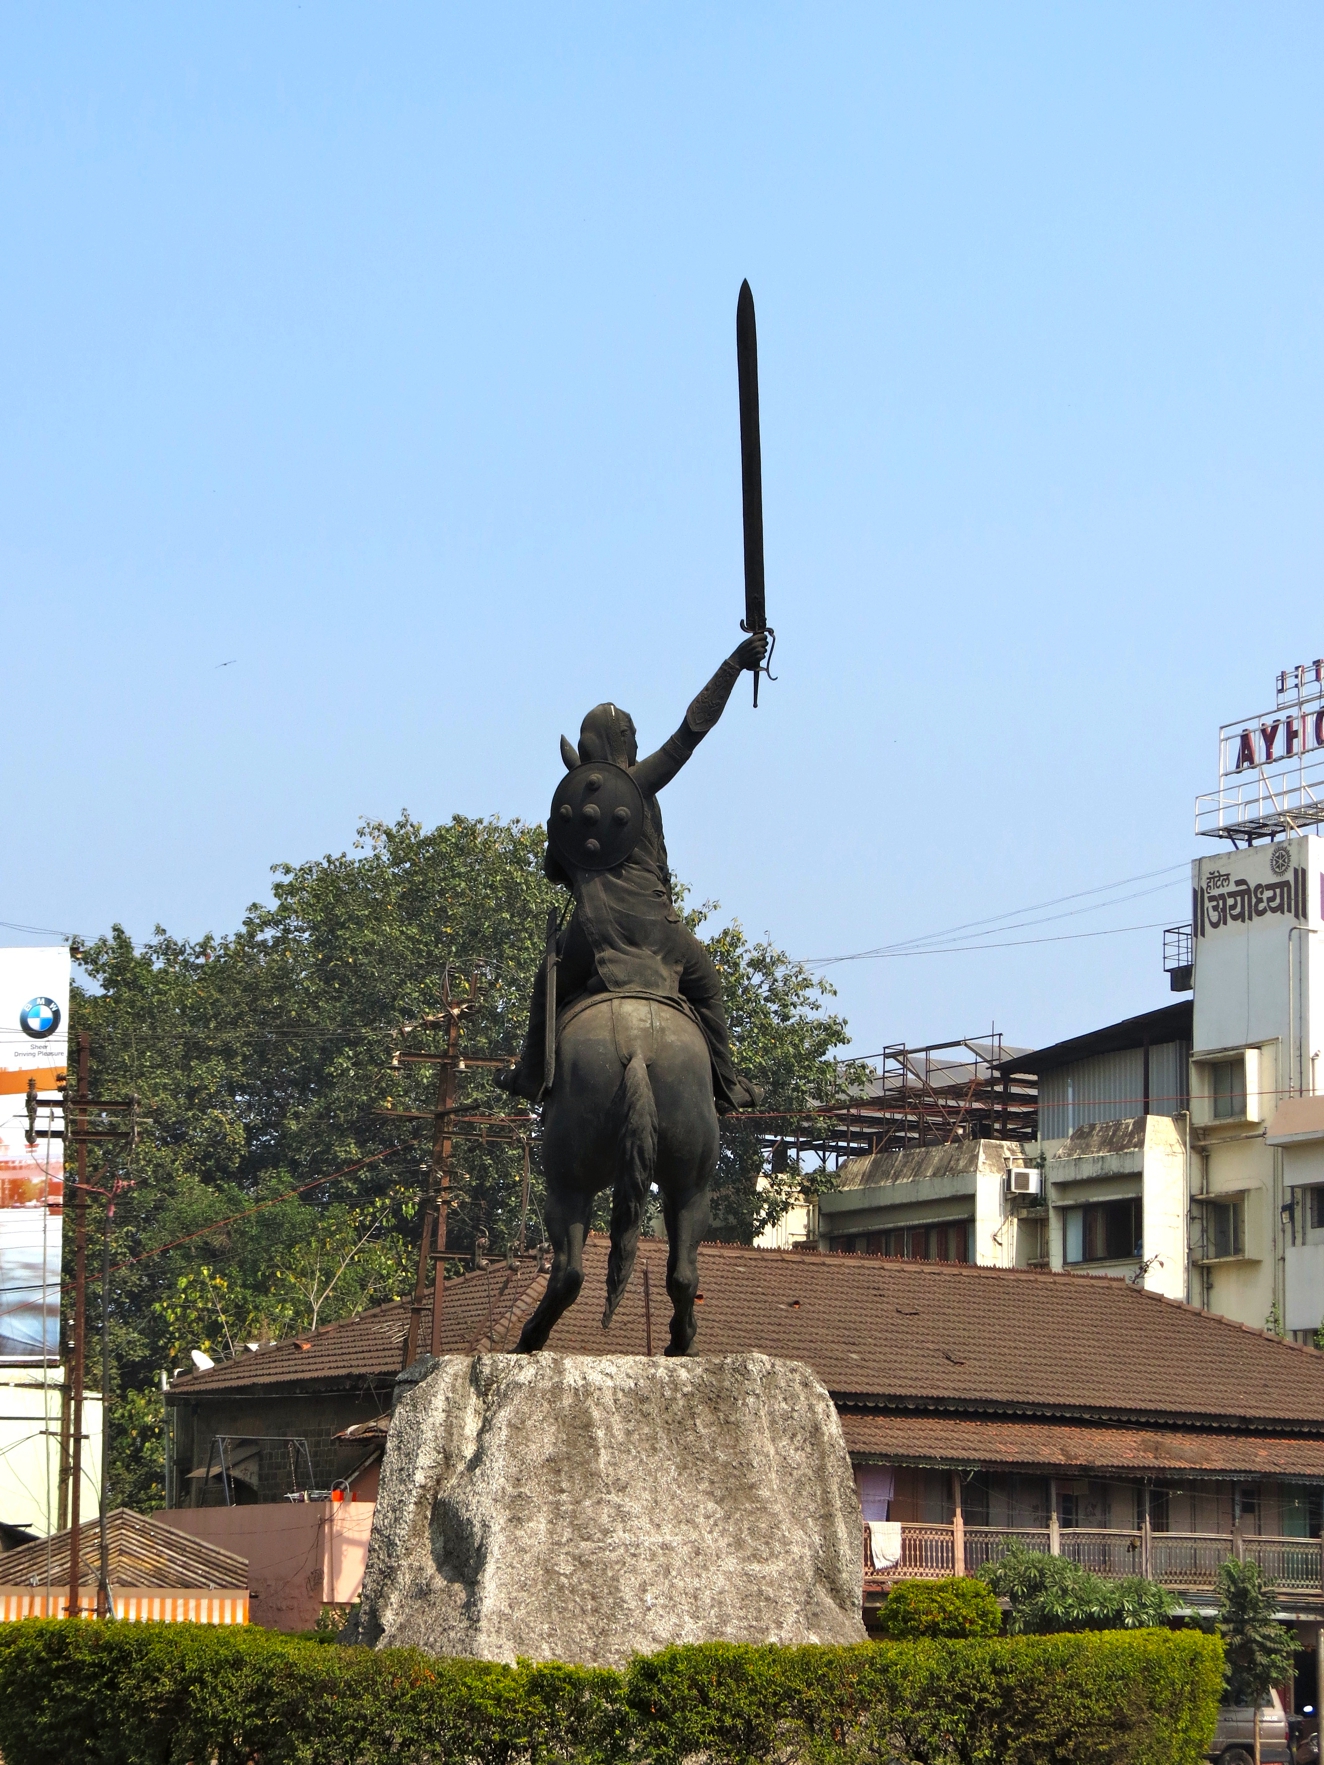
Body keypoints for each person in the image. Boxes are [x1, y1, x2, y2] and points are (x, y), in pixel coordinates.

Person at [496, 633, 769, 1112]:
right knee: (707, 987)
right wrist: (733, 664)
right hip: (659, 933)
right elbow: (690, 732)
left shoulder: (573, 802)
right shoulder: (641, 785)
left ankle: (532, 1072)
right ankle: (727, 1086)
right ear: (624, 743)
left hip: (592, 931)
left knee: (550, 978)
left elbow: (554, 871)